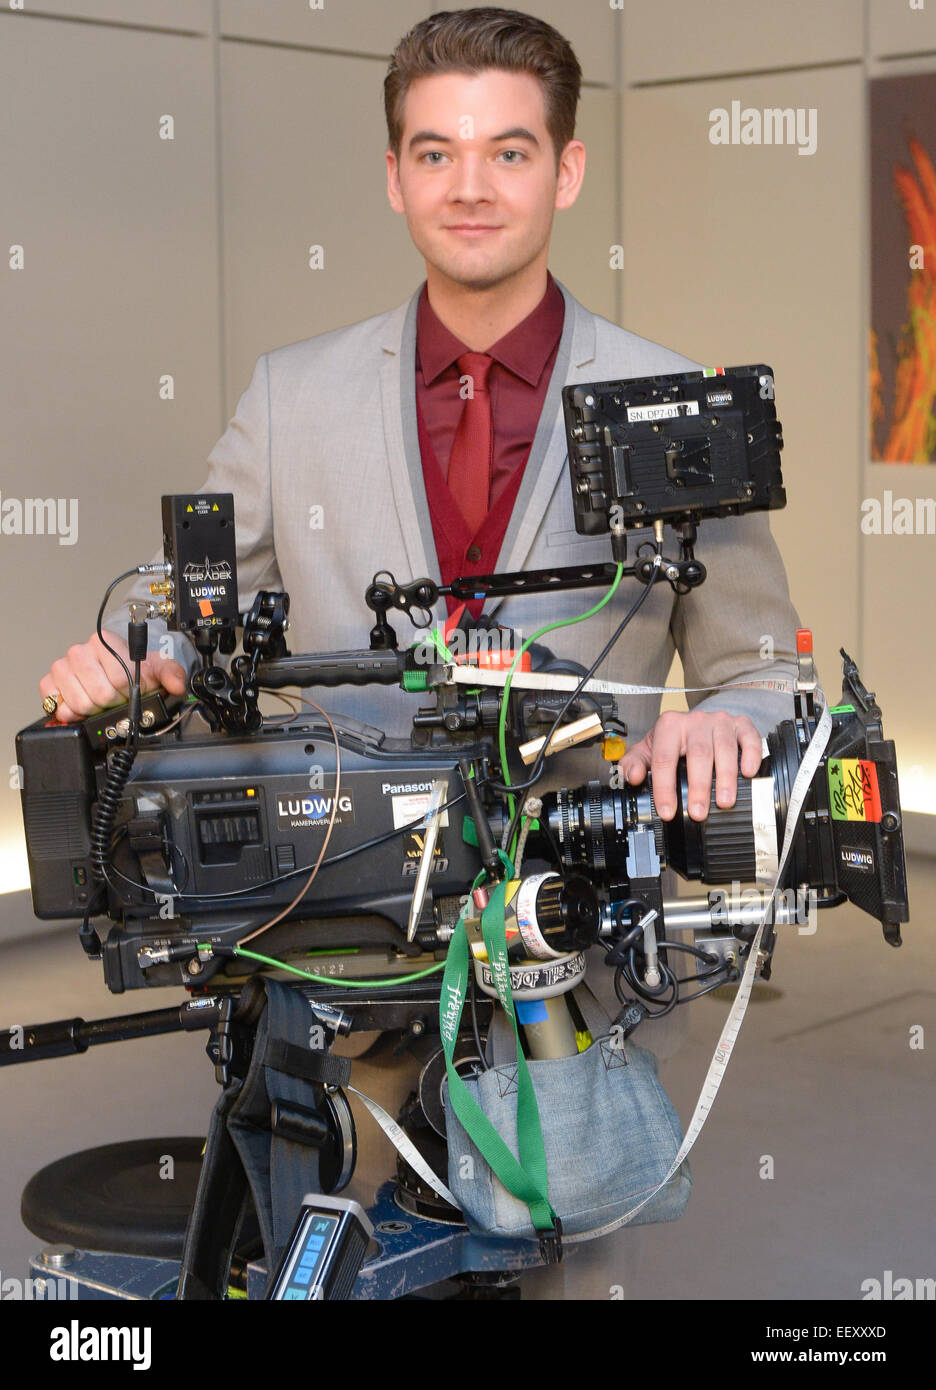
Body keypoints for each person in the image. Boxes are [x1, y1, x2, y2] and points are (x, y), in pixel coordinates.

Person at [36, 8, 803, 1296]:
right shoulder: (294, 398)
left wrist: (724, 719)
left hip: (557, 952)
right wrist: (122, 659)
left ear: (563, 171)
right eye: (435, 153)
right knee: (318, 1256)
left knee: (533, 1261)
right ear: (393, 176)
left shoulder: (680, 403)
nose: (470, 187)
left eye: (508, 152)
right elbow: (192, 620)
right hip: (331, 941)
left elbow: (762, 664)